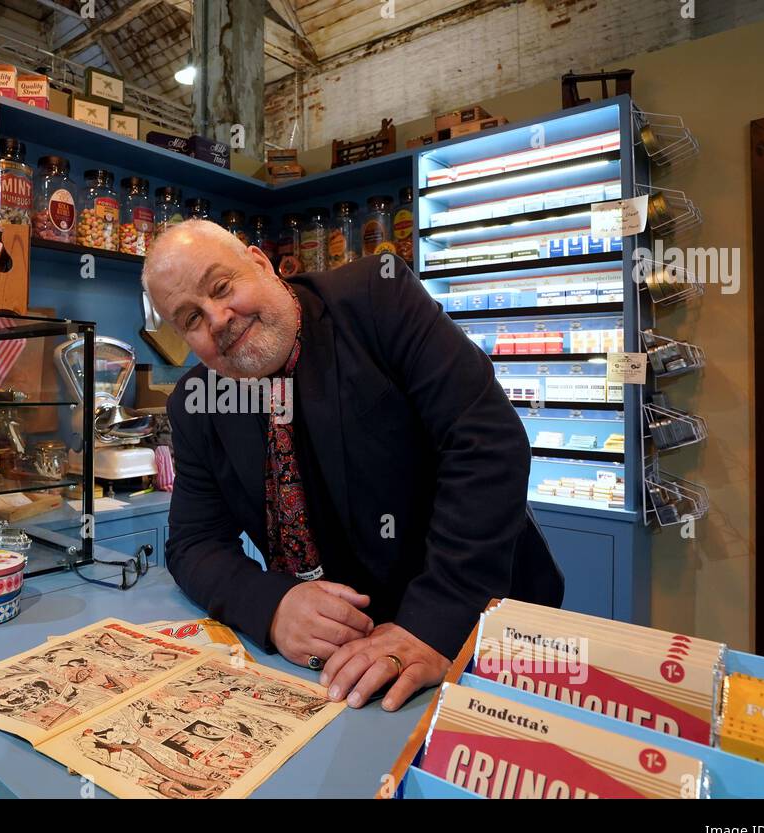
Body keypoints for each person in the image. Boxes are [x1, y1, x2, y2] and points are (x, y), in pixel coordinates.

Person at [141, 220, 564, 712]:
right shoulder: (198, 403)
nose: (216, 318)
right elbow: (195, 544)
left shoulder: (376, 297)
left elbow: (486, 443)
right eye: (191, 318)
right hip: (347, 665)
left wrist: (434, 624)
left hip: (482, 620)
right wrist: (273, 605)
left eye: (221, 286)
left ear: (260, 263)